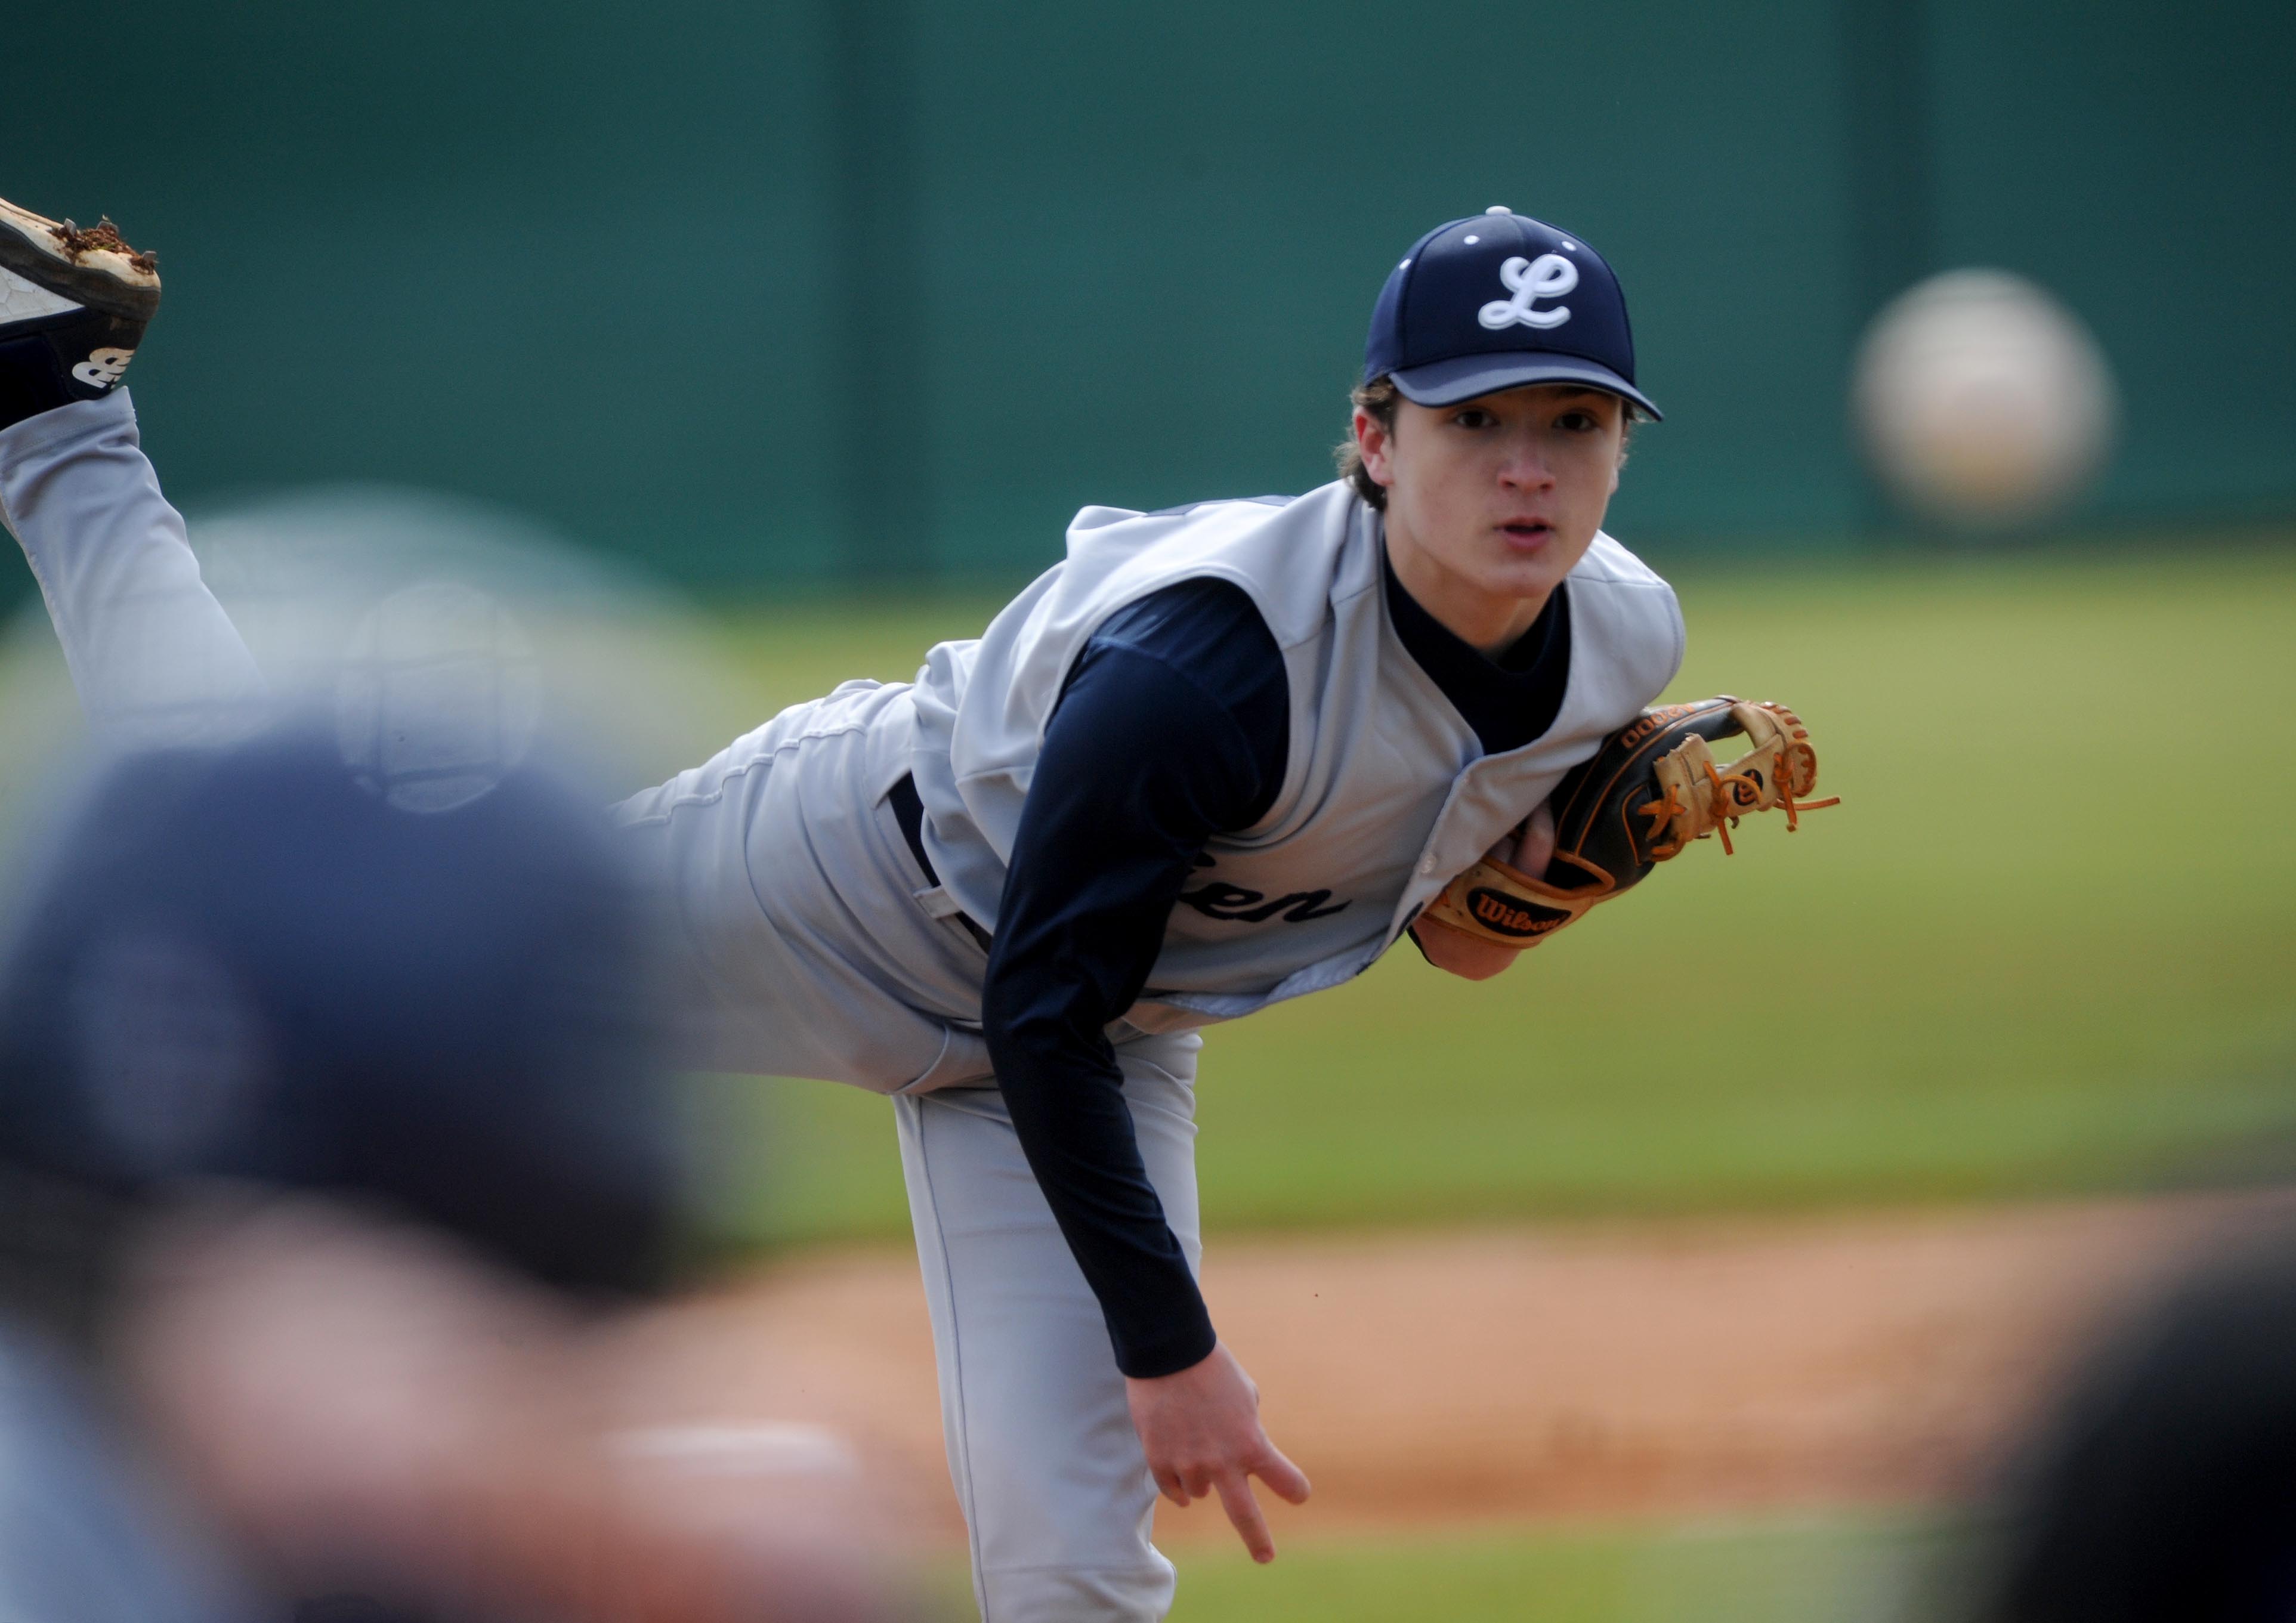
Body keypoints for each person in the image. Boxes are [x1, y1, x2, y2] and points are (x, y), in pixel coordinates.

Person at [0, 192, 1685, 1621]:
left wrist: (1511, 884)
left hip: (1097, 1026)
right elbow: (1037, 1005)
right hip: (834, 886)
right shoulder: (1205, 668)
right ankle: (60, 421)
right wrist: (1171, 1347)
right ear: (1377, 440)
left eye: (1573, 422)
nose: (1526, 469)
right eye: (1475, 420)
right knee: (348, 923)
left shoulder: (1621, 643)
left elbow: (1427, 919)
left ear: (1621, 446)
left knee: (1079, 1555)